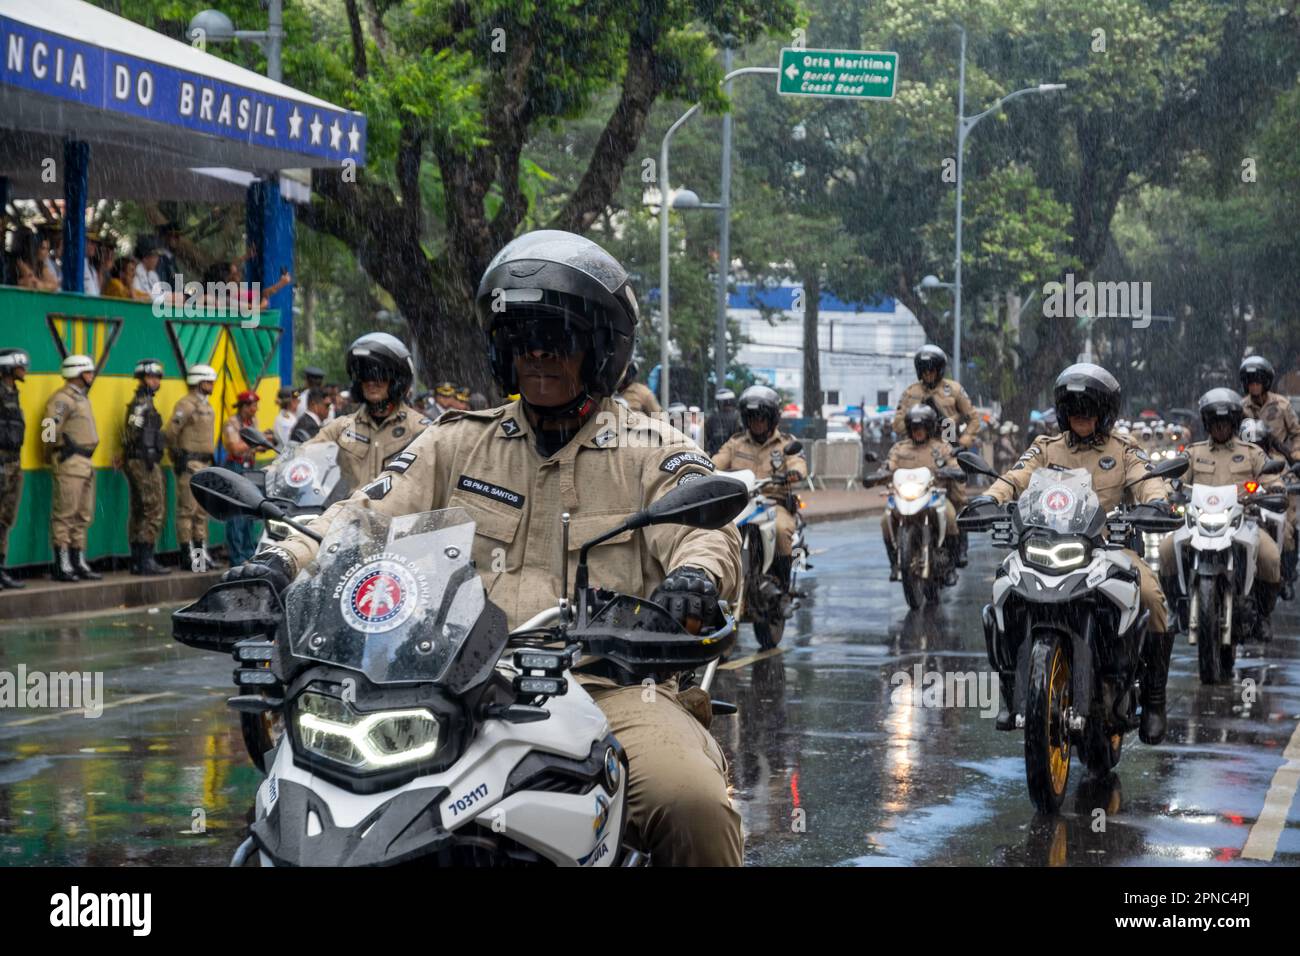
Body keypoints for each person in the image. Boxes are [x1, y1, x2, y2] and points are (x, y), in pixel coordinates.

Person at [233, 229, 743, 866]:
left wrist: (693, 578)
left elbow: (707, 528)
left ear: (600, 350)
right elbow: (359, 515)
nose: (538, 356)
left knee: (692, 804)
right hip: (453, 686)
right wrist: (277, 564)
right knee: (310, 796)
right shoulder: (456, 443)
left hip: (606, 688)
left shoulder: (652, 448)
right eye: (522, 341)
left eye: (557, 340)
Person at [964, 363, 1175, 744]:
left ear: (1104, 411)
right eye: (1074, 406)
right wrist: (988, 498)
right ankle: (1009, 687)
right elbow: (1014, 479)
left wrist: (1157, 504)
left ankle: (1155, 700)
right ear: (1062, 410)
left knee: (1152, 598)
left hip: (1109, 550)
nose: (1081, 413)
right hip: (1044, 546)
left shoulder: (1123, 451)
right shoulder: (1045, 448)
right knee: (1003, 592)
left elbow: (1150, 483)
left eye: (1089, 405)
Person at [1158, 389, 1280, 640]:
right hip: (1198, 523)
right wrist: (1167, 494)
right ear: (1207, 423)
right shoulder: (1194, 453)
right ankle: (1173, 610)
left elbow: (1270, 477)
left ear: (1234, 422)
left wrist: (1274, 489)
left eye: (1225, 421)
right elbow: (1173, 482)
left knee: (1270, 557)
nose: (1220, 427)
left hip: (1243, 522)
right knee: (1166, 551)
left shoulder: (1251, 452)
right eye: (1215, 421)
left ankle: (1263, 617)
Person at [303, 333, 430, 489]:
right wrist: (268, 474)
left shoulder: (421, 430)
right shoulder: (341, 428)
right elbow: (304, 454)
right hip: (349, 512)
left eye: (380, 374)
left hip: (397, 514)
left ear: (397, 380)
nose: (371, 382)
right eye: (364, 374)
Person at [713, 385, 808, 585]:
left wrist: (794, 472)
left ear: (772, 418)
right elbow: (715, 463)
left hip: (773, 503)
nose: (756, 422)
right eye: (752, 417)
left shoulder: (785, 443)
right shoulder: (735, 443)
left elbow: (798, 463)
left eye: (761, 417)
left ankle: (782, 586)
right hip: (738, 504)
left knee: (782, 531)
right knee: (712, 531)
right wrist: (701, 469)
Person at [878, 405, 960, 585]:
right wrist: (879, 473)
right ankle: (894, 564)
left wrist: (953, 471)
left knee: (951, 517)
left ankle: (951, 567)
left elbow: (954, 464)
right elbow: (888, 465)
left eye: (921, 427)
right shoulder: (900, 448)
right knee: (885, 521)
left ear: (930, 428)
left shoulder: (941, 448)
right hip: (903, 497)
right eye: (914, 428)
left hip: (934, 496)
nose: (918, 432)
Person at [1240, 355, 1300, 597]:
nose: (1254, 385)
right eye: (1250, 381)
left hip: (1280, 469)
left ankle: (1285, 575)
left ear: (1266, 382)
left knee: (1289, 525)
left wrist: (1295, 456)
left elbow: (1297, 434)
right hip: (1247, 469)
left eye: (1258, 380)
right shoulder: (1240, 407)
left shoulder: (1282, 406)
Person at [45, 354, 101, 581]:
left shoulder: (81, 398)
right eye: (87, 372)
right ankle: (63, 563)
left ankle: (78, 560)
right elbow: (48, 429)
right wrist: (54, 453)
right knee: (65, 515)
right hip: (70, 461)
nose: (91, 376)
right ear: (76, 373)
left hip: (85, 463)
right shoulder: (62, 399)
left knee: (82, 515)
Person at [164, 364, 218, 572]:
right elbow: (170, 433)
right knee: (187, 511)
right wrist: (177, 456)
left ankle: (200, 555)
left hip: (204, 464)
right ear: (199, 382)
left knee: (201, 512)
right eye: (209, 382)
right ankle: (188, 554)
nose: (212, 385)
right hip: (190, 464)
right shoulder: (186, 405)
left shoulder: (206, 405)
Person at [121, 359, 171, 575]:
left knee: (141, 510)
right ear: (141, 379)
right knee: (153, 509)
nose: (156, 381)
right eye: (151, 377)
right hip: (144, 462)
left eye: (158, 377)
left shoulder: (143, 402)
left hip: (140, 459)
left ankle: (138, 560)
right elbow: (133, 432)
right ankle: (145, 560)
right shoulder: (142, 403)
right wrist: (145, 451)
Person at [221, 391, 264, 567]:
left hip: (250, 469)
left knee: (250, 513)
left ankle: (249, 553)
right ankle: (237, 557)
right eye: (253, 406)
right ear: (244, 406)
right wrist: (256, 443)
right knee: (236, 515)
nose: (256, 409)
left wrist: (260, 443)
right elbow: (235, 448)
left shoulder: (253, 422)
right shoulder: (231, 423)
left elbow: (258, 446)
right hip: (236, 468)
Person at [0, 349, 29, 589]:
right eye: (20, 365)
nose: (25, 370)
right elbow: (49, 424)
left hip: (13, 463)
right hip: (2, 463)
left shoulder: (14, 393)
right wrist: (52, 448)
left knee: (5, 518)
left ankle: (1, 569)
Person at [704, 388, 740, 456]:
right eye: (727, 403)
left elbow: (705, 439)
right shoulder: (737, 417)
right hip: (729, 454)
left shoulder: (711, 418)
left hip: (717, 454)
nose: (728, 406)